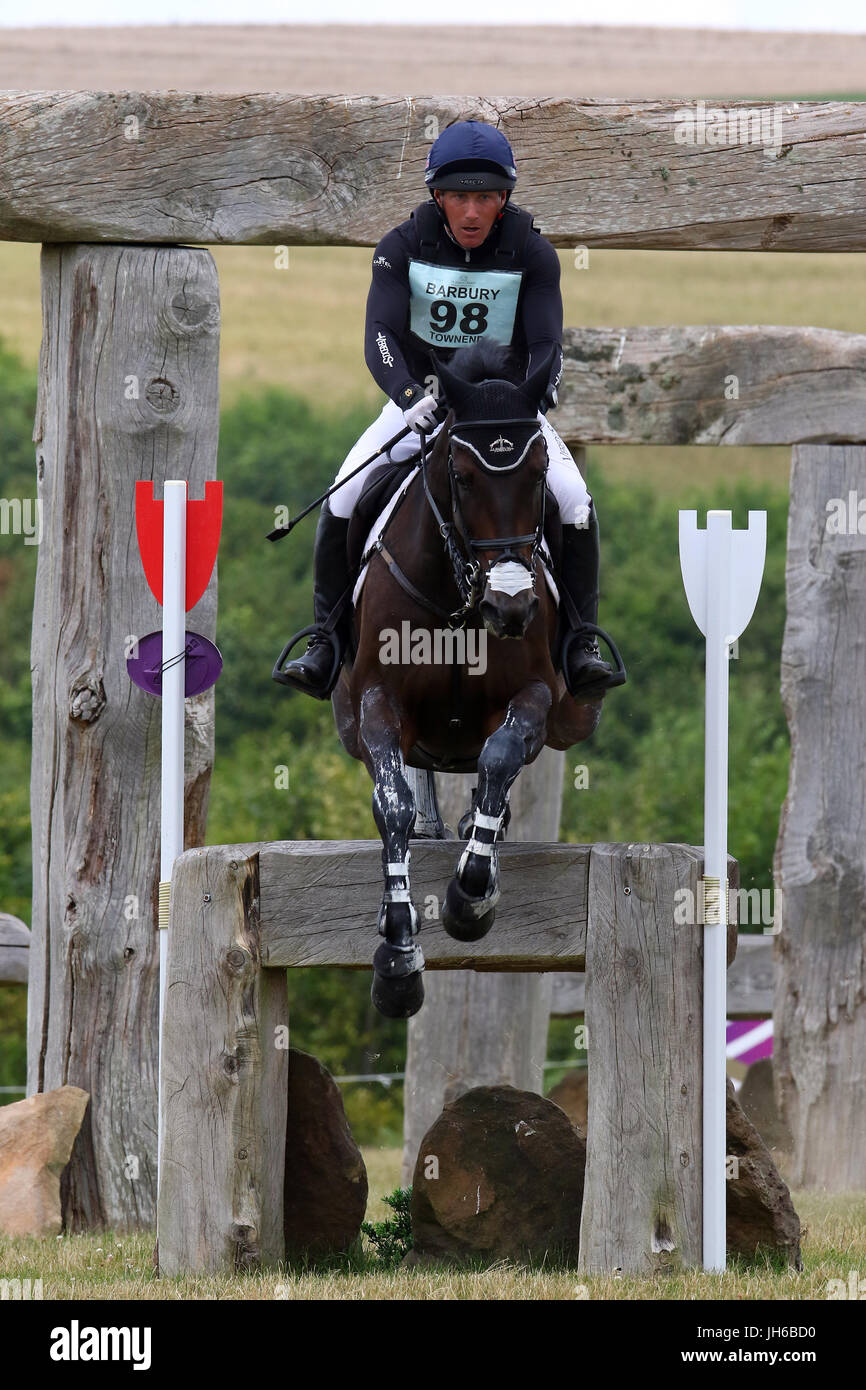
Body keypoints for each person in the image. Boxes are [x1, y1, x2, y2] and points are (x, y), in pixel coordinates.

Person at [280, 118, 618, 698]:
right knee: (343, 493)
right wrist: (410, 398)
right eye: (459, 196)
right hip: (424, 406)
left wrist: (533, 395)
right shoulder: (401, 248)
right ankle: (327, 639)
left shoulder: (534, 253)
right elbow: (379, 337)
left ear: (503, 198)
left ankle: (581, 642)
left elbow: (546, 345)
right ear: (437, 196)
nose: (470, 213)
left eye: (485, 197)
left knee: (574, 500)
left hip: (504, 414)